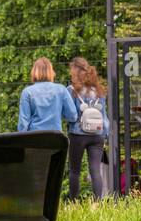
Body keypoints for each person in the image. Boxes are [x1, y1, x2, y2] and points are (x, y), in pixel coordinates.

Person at [67, 56, 108, 201]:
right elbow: (104, 116)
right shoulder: (99, 90)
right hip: (98, 134)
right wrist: (105, 134)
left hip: (78, 134)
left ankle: (73, 203)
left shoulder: (72, 90)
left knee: (75, 171)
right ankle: (99, 203)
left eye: (71, 69)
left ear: (76, 71)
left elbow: (71, 115)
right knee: (95, 170)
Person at [18, 57, 78, 132]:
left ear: (34, 72)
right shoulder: (61, 90)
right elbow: (72, 116)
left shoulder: (27, 92)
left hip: (33, 138)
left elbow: (23, 123)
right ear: (51, 72)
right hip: (55, 138)